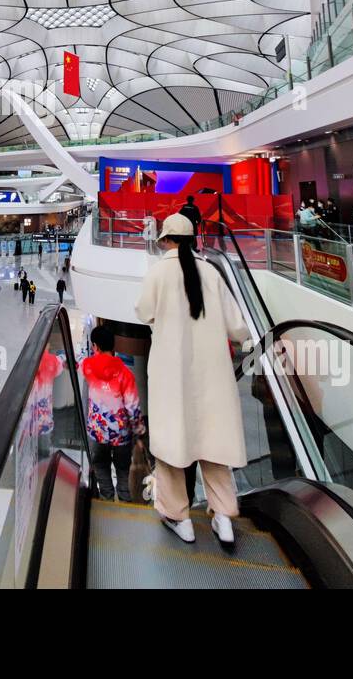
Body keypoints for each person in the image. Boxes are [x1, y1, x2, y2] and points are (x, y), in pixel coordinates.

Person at [135, 213, 251, 547]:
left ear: (166, 240)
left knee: (173, 447)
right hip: (212, 373)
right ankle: (223, 517)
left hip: (171, 374)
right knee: (214, 444)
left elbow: (144, 312)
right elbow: (237, 326)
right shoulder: (210, 272)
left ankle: (179, 518)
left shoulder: (157, 273)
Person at [80, 325, 144, 502]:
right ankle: (124, 499)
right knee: (123, 469)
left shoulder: (88, 368)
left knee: (100, 466)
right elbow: (133, 407)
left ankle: (106, 498)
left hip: (97, 433)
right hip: (121, 435)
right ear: (113, 346)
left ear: (95, 347)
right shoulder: (125, 374)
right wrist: (139, 433)